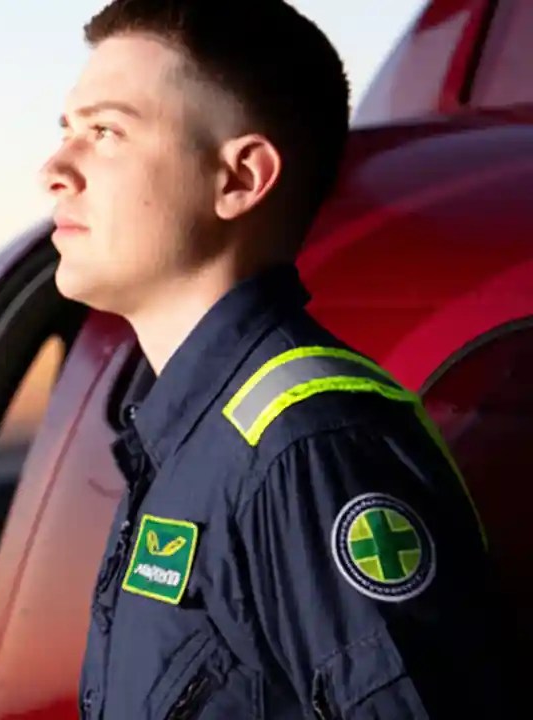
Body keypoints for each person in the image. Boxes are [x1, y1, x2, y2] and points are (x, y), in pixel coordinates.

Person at [39, 1, 512, 718]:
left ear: (240, 179)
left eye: (105, 132)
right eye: (67, 132)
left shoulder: (309, 448)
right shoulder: (193, 442)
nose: (55, 169)